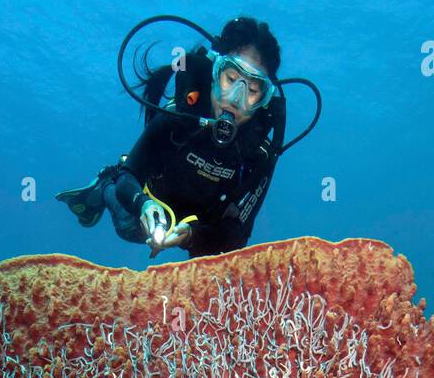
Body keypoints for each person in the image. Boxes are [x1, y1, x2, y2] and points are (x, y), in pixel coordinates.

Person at [57, 16, 283, 259]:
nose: (236, 99)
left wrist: (192, 237)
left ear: (264, 99)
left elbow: (239, 233)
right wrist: (143, 203)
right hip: (153, 201)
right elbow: (129, 177)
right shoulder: (180, 117)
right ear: (214, 74)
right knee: (128, 228)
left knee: (213, 254)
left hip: (201, 225)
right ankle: (104, 185)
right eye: (230, 79)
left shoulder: (259, 153)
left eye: (252, 91)